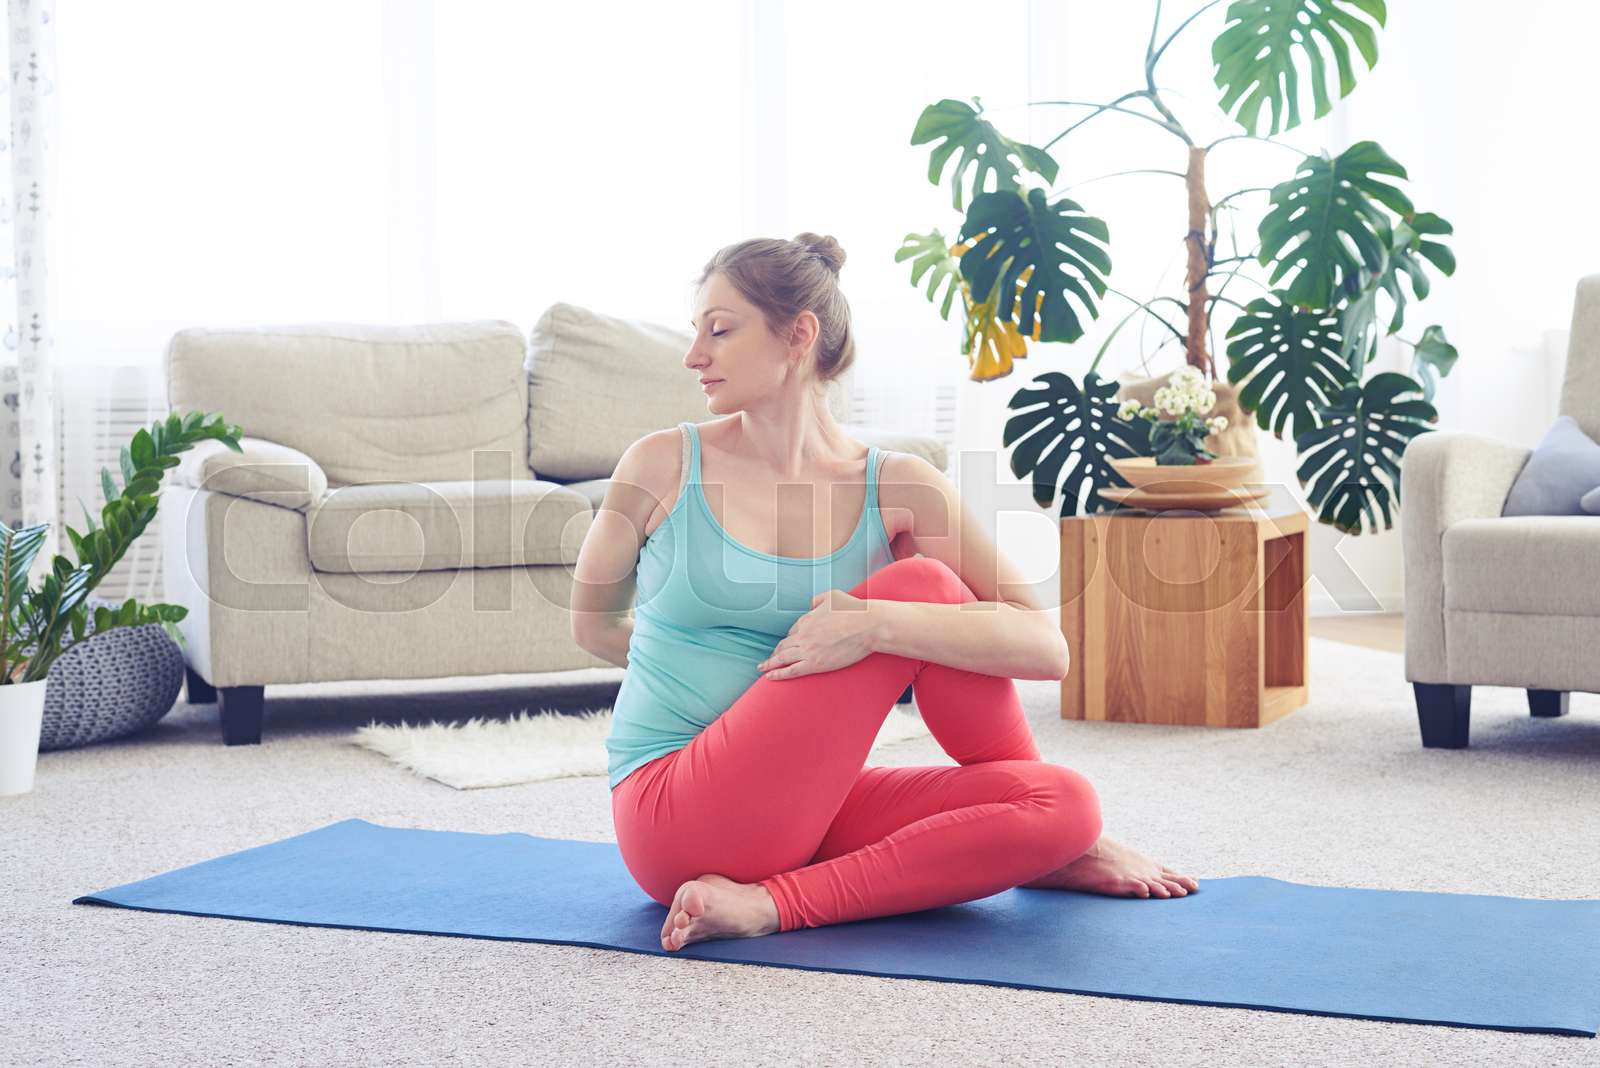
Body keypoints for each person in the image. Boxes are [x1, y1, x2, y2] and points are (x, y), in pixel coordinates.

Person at [569, 233, 1199, 952]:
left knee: (1063, 804)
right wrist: (737, 703)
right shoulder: (661, 463)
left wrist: (874, 628)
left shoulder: (896, 485)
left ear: (797, 335)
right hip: (674, 808)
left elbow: (1044, 648)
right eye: (696, 333)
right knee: (926, 583)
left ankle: (770, 901)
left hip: (803, 805)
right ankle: (781, 904)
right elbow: (592, 626)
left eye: (719, 330)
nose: (694, 356)